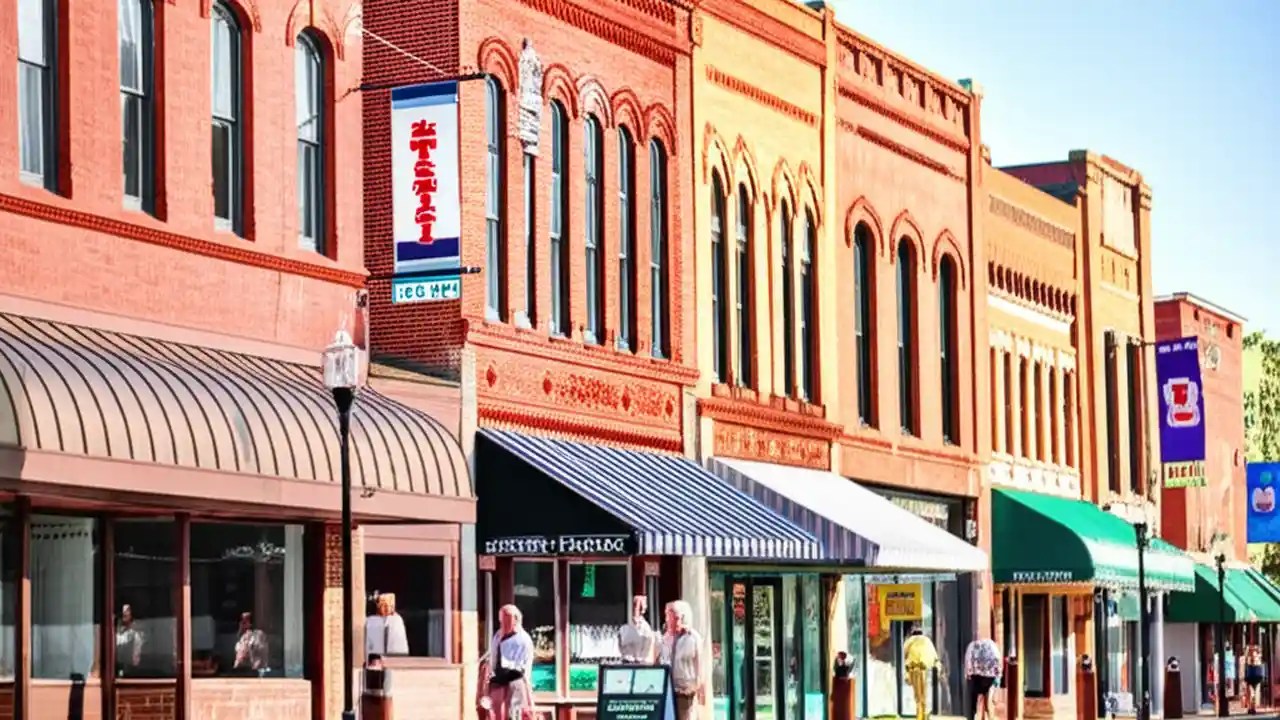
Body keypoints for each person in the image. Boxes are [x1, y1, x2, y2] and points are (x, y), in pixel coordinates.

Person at [484, 604, 536, 720]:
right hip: (498, 681)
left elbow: (520, 668)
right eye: (502, 620)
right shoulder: (498, 635)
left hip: (514, 682)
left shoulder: (523, 640)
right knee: (496, 714)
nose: (503, 623)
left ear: (516, 620)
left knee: (514, 714)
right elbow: (493, 656)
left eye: (507, 620)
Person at [659, 600, 704, 720]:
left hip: (685, 696)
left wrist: (694, 688)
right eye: (667, 615)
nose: (668, 620)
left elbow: (699, 670)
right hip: (668, 694)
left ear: (680, 617)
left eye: (670, 615)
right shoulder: (663, 640)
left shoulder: (693, 638)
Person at [903, 626, 941, 720]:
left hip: (913, 669)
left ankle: (920, 716)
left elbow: (905, 653)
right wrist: (938, 668)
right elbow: (934, 656)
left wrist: (907, 670)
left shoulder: (909, 641)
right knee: (923, 695)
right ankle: (923, 715)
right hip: (924, 669)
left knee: (918, 697)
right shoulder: (927, 641)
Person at [964, 636, 1002, 720]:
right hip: (990, 677)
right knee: (988, 704)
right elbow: (998, 668)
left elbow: (968, 665)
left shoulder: (973, 647)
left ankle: (976, 716)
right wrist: (997, 684)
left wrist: (968, 674)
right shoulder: (992, 648)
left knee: (977, 704)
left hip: (976, 676)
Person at [365, 592, 410, 660]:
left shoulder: (395, 620)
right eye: (382, 605)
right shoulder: (375, 620)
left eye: (386, 606)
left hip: (393, 656)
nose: (384, 608)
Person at [619, 595, 658, 664]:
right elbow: (620, 648)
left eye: (639, 607)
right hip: (625, 665)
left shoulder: (647, 630)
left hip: (641, 665)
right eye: (634, 606)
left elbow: (649, 653)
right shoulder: (623, 629)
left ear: (643, 610)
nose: (636, 610)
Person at [115, 604, 144, 676]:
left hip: (131, 669)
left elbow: (137, 654)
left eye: (127, 610)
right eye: (123, 611)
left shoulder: (136, 634)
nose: (124, 613)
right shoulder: (116, 632)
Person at [1244, 644, 1265, 714]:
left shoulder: (1252, 660)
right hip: (1254, 677)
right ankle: (1252, 708)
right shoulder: (1256, 659)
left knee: (1252, 694)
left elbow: (1247, 657)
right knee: (1252, 694)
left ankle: (1251, 708)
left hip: (1253, 677)